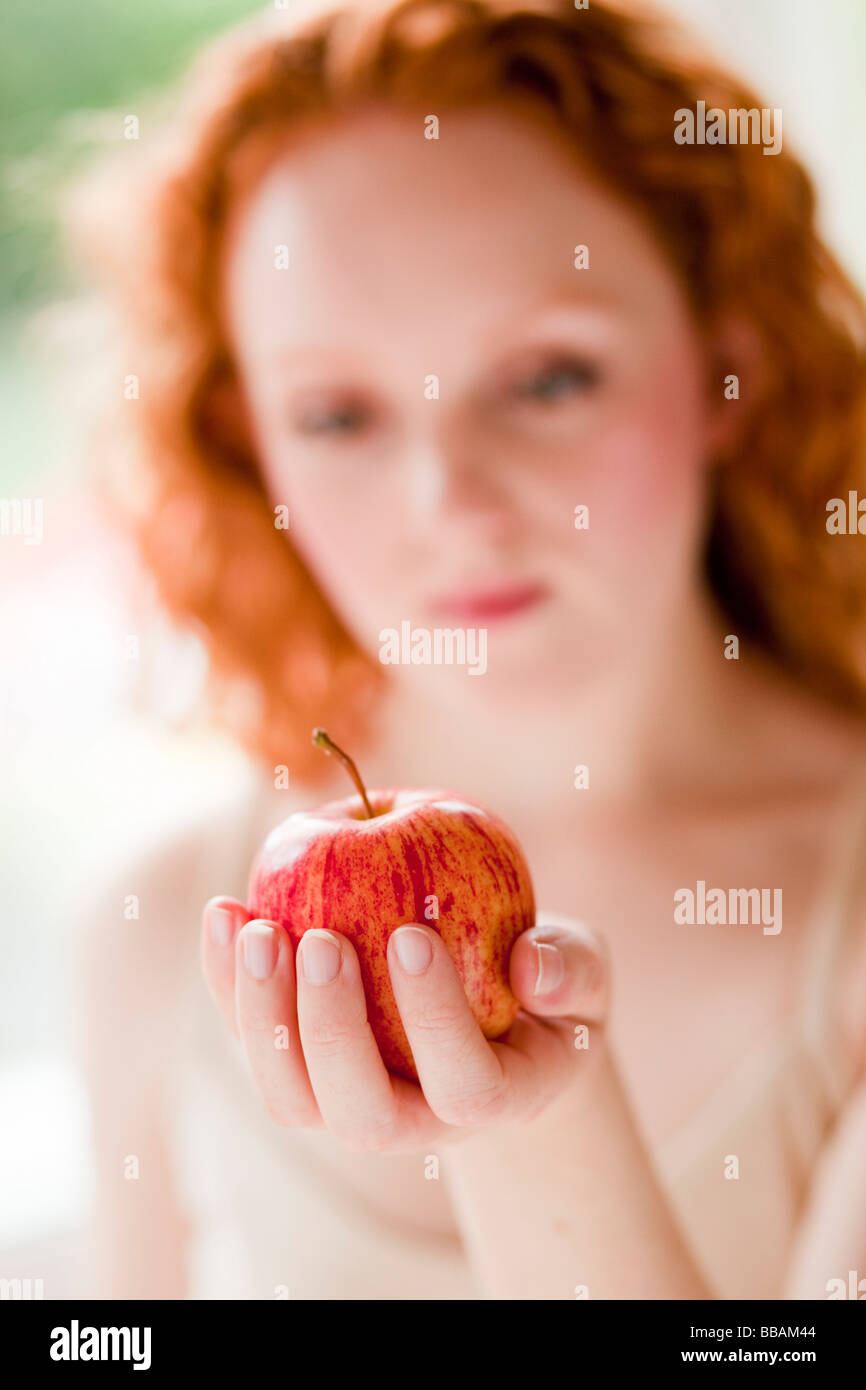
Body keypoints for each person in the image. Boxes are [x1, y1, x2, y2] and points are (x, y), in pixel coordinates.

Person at [73, 0, 866, 1300]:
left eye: (549, 379)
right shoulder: (161, 926)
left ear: (730, 371)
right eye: (338, 414)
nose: (450, 503)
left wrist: (536, 1124)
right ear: (245, 442)